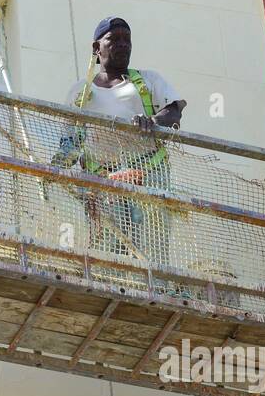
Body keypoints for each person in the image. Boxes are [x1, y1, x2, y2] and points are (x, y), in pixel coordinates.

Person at [55, 16, 186, 274]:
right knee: (110, 243)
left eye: (127, 40)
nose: (123, 45)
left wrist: (152, 121)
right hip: (103, 180)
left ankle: (155, 287)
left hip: (148, 173)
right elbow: (71, 138)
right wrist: (55, 169)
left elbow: (174, 112)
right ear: (96, 48)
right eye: (114, 39)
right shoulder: (81, 92)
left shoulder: (147, 81)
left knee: (152, 239)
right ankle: (112, 285)